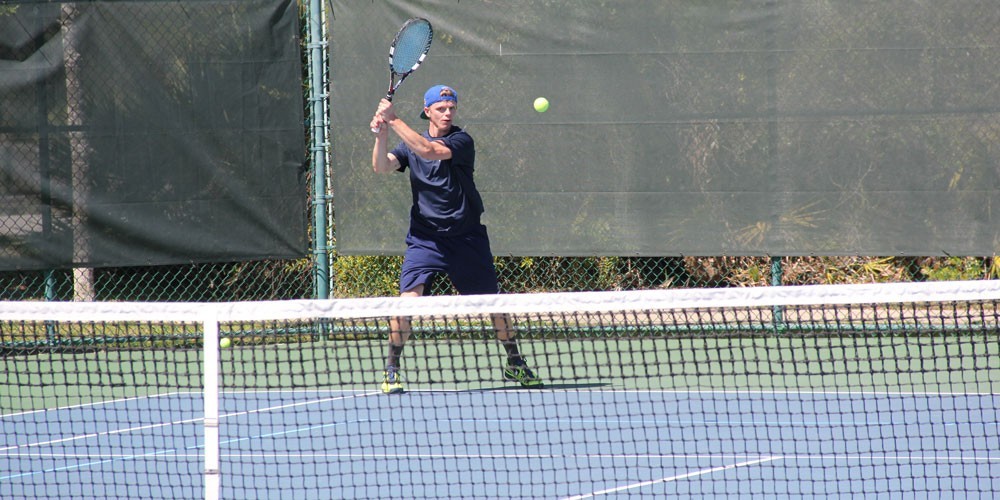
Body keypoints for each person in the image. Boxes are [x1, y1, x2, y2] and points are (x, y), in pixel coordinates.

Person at [370, 84, 542, 394]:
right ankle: (391, 369)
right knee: (407, 303)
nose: (448, 113)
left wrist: (393, 119)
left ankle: (515, 362)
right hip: (426, 240)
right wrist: (382, 133)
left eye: (452, 108)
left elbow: (429, 151)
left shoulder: (461, 141)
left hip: (466, 239)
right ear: (428, 111)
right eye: (441, 108)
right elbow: (381, 166)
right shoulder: (409, 145)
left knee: (494, 305)